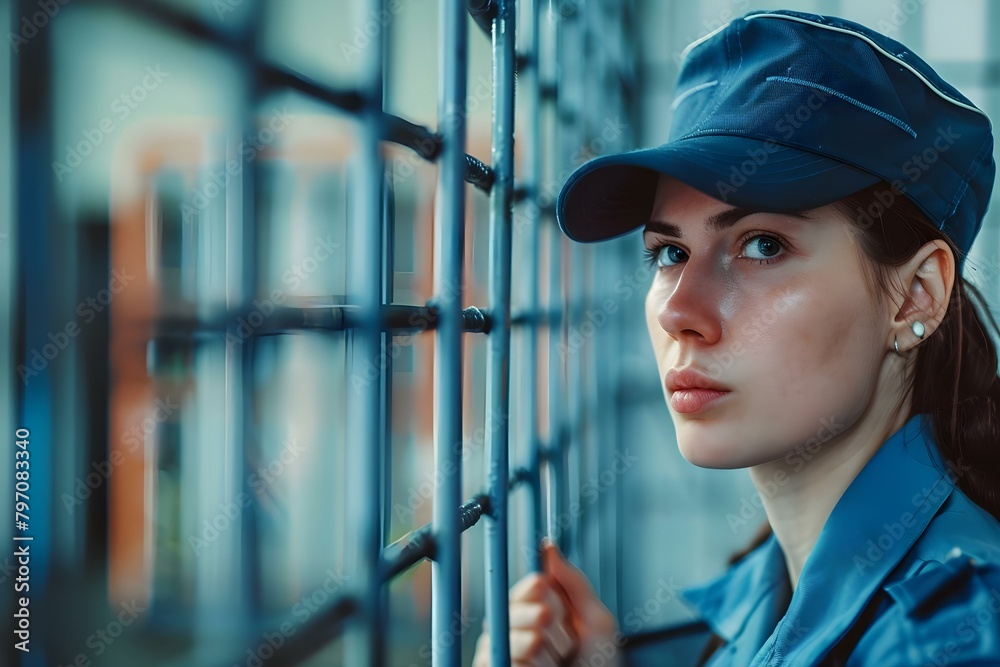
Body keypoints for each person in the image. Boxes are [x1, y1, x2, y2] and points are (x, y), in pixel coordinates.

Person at [471, 8, 1000, 667]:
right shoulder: (774, 586)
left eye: (763, 244)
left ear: (915, 295)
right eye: (668, 253)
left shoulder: (948, 639)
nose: (679, 311)